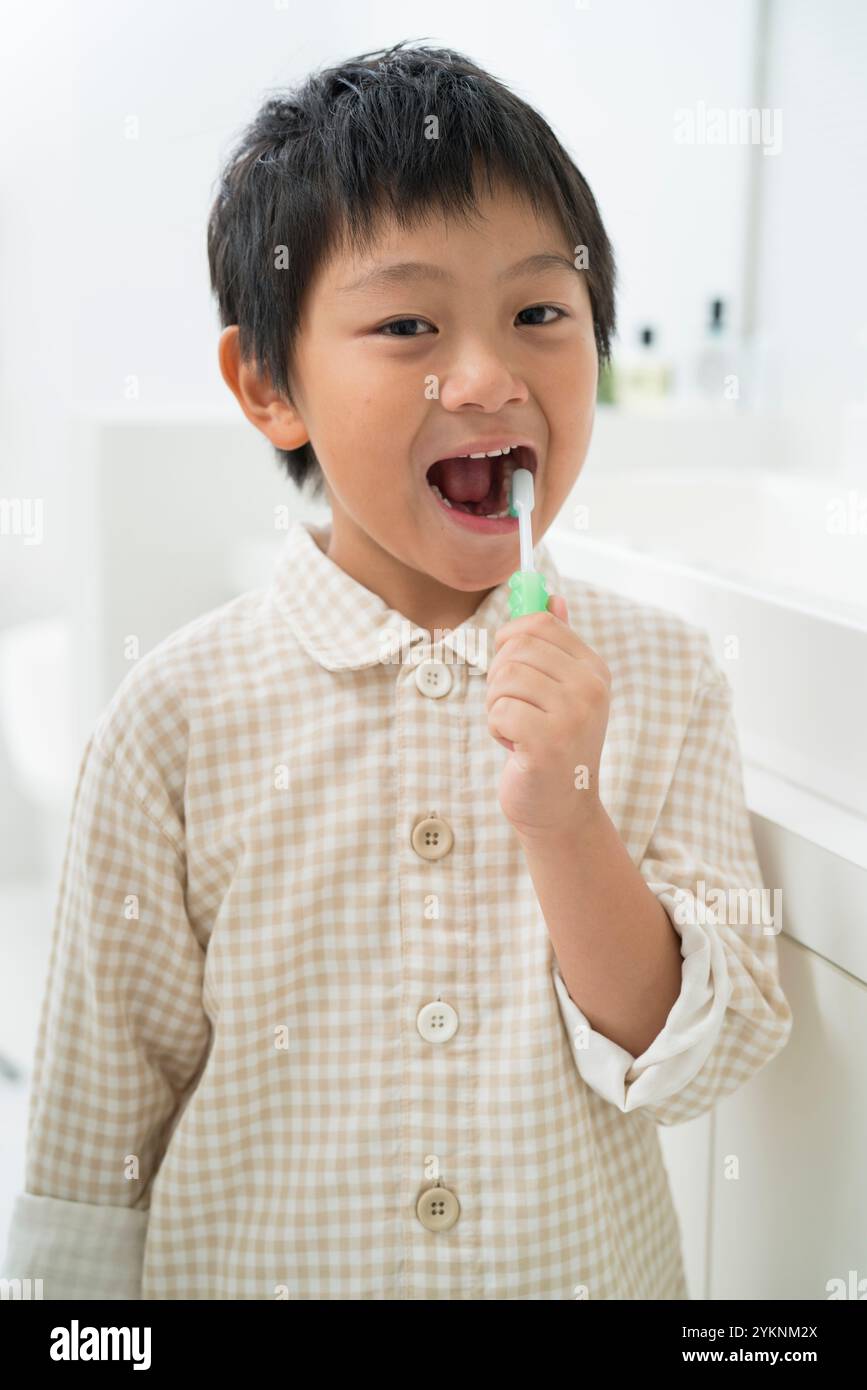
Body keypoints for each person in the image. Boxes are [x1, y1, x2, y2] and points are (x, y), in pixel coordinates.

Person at [2, 39, 792, 1300]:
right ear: (269, 384)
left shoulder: (668, 674)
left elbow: (692, 1059)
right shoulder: (174, 717)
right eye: (407, 323)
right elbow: (100, 1118)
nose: (485, 377)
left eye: (541, 313)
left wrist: (572, 818)